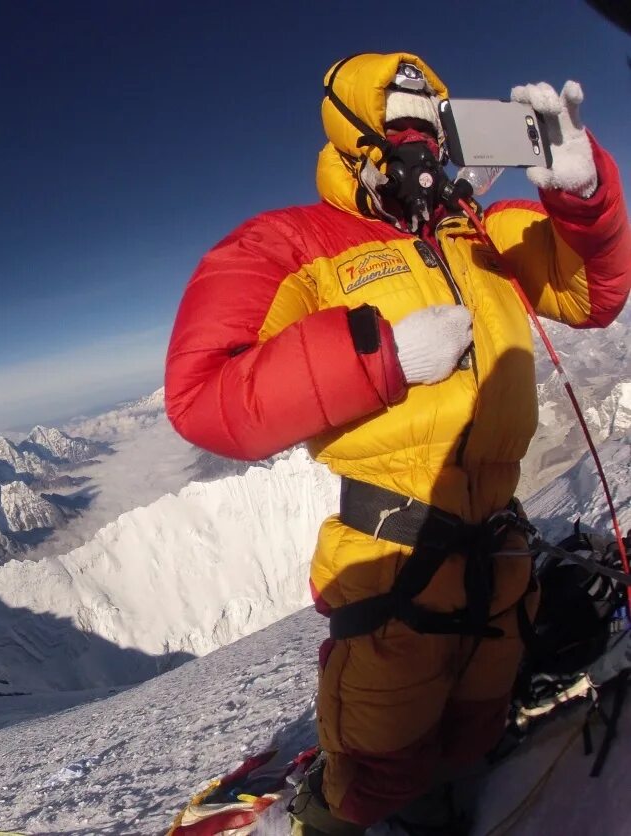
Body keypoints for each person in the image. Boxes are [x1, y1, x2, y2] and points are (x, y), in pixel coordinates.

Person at [164, 52, 631, 835]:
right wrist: (379, 357)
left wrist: (583, 197)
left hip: (501, 552)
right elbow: (204, 397)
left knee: (475, 731)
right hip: (394, 562)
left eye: (429, 125)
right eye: (398, 126)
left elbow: (593, 293)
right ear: (353, 137)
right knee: (379, 774)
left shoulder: (483, 230)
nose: (419, 144)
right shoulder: (289, 245)